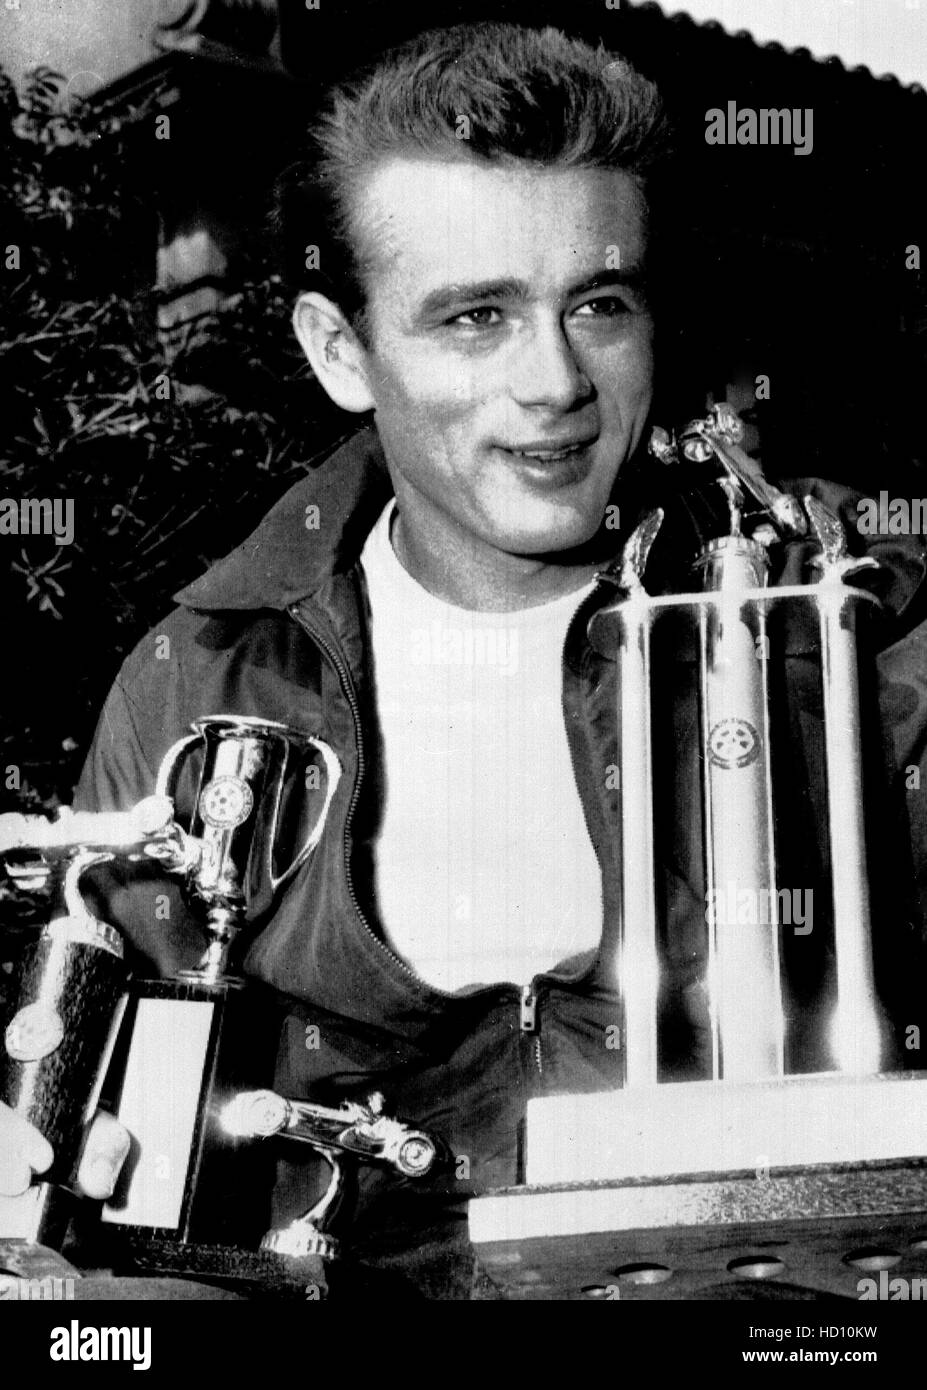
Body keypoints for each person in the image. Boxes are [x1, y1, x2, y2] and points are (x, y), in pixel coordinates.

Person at [3, 22, 927, 1297]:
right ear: (341, 351)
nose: (554, 381)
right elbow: (118, 1213)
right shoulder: (204, 684)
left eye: (598, 305)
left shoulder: (844, 629)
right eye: (474, 317)